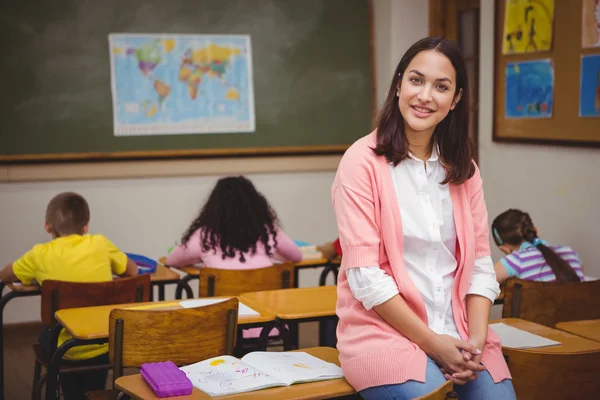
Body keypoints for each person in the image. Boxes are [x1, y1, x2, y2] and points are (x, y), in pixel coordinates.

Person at [331, 36, 516, 399]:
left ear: (456, 99)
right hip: (382, 334)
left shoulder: (465, 170)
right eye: (416, 80)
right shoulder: (361, 162)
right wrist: (434, 344)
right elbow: (366, 278)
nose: (425, 95)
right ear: (399, 83)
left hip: (462, 330)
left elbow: (480, 264)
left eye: (441, 86)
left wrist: (476, 340)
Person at [0, 192, 138, 400]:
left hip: (63, 349)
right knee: (92, 380)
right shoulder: (100, 243)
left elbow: (6, 275)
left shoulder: (39, 254)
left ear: (47, 226)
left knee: (48, 335)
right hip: (104, 344)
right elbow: (133, 272)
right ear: (86, 226)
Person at [166, 176, 302, 268]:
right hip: (262, 308)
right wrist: (270, 254)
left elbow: (171, 260)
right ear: (256, 205)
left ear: (214, 207)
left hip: (222, 309)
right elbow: (296, 256)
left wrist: (199, 257)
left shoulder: (205, 236)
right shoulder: (268, 232)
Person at [491, 209, 584, 284]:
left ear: (504, 248)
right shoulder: (570, 253)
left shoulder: (516, 260)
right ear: (536, 230)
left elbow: (482, 282)